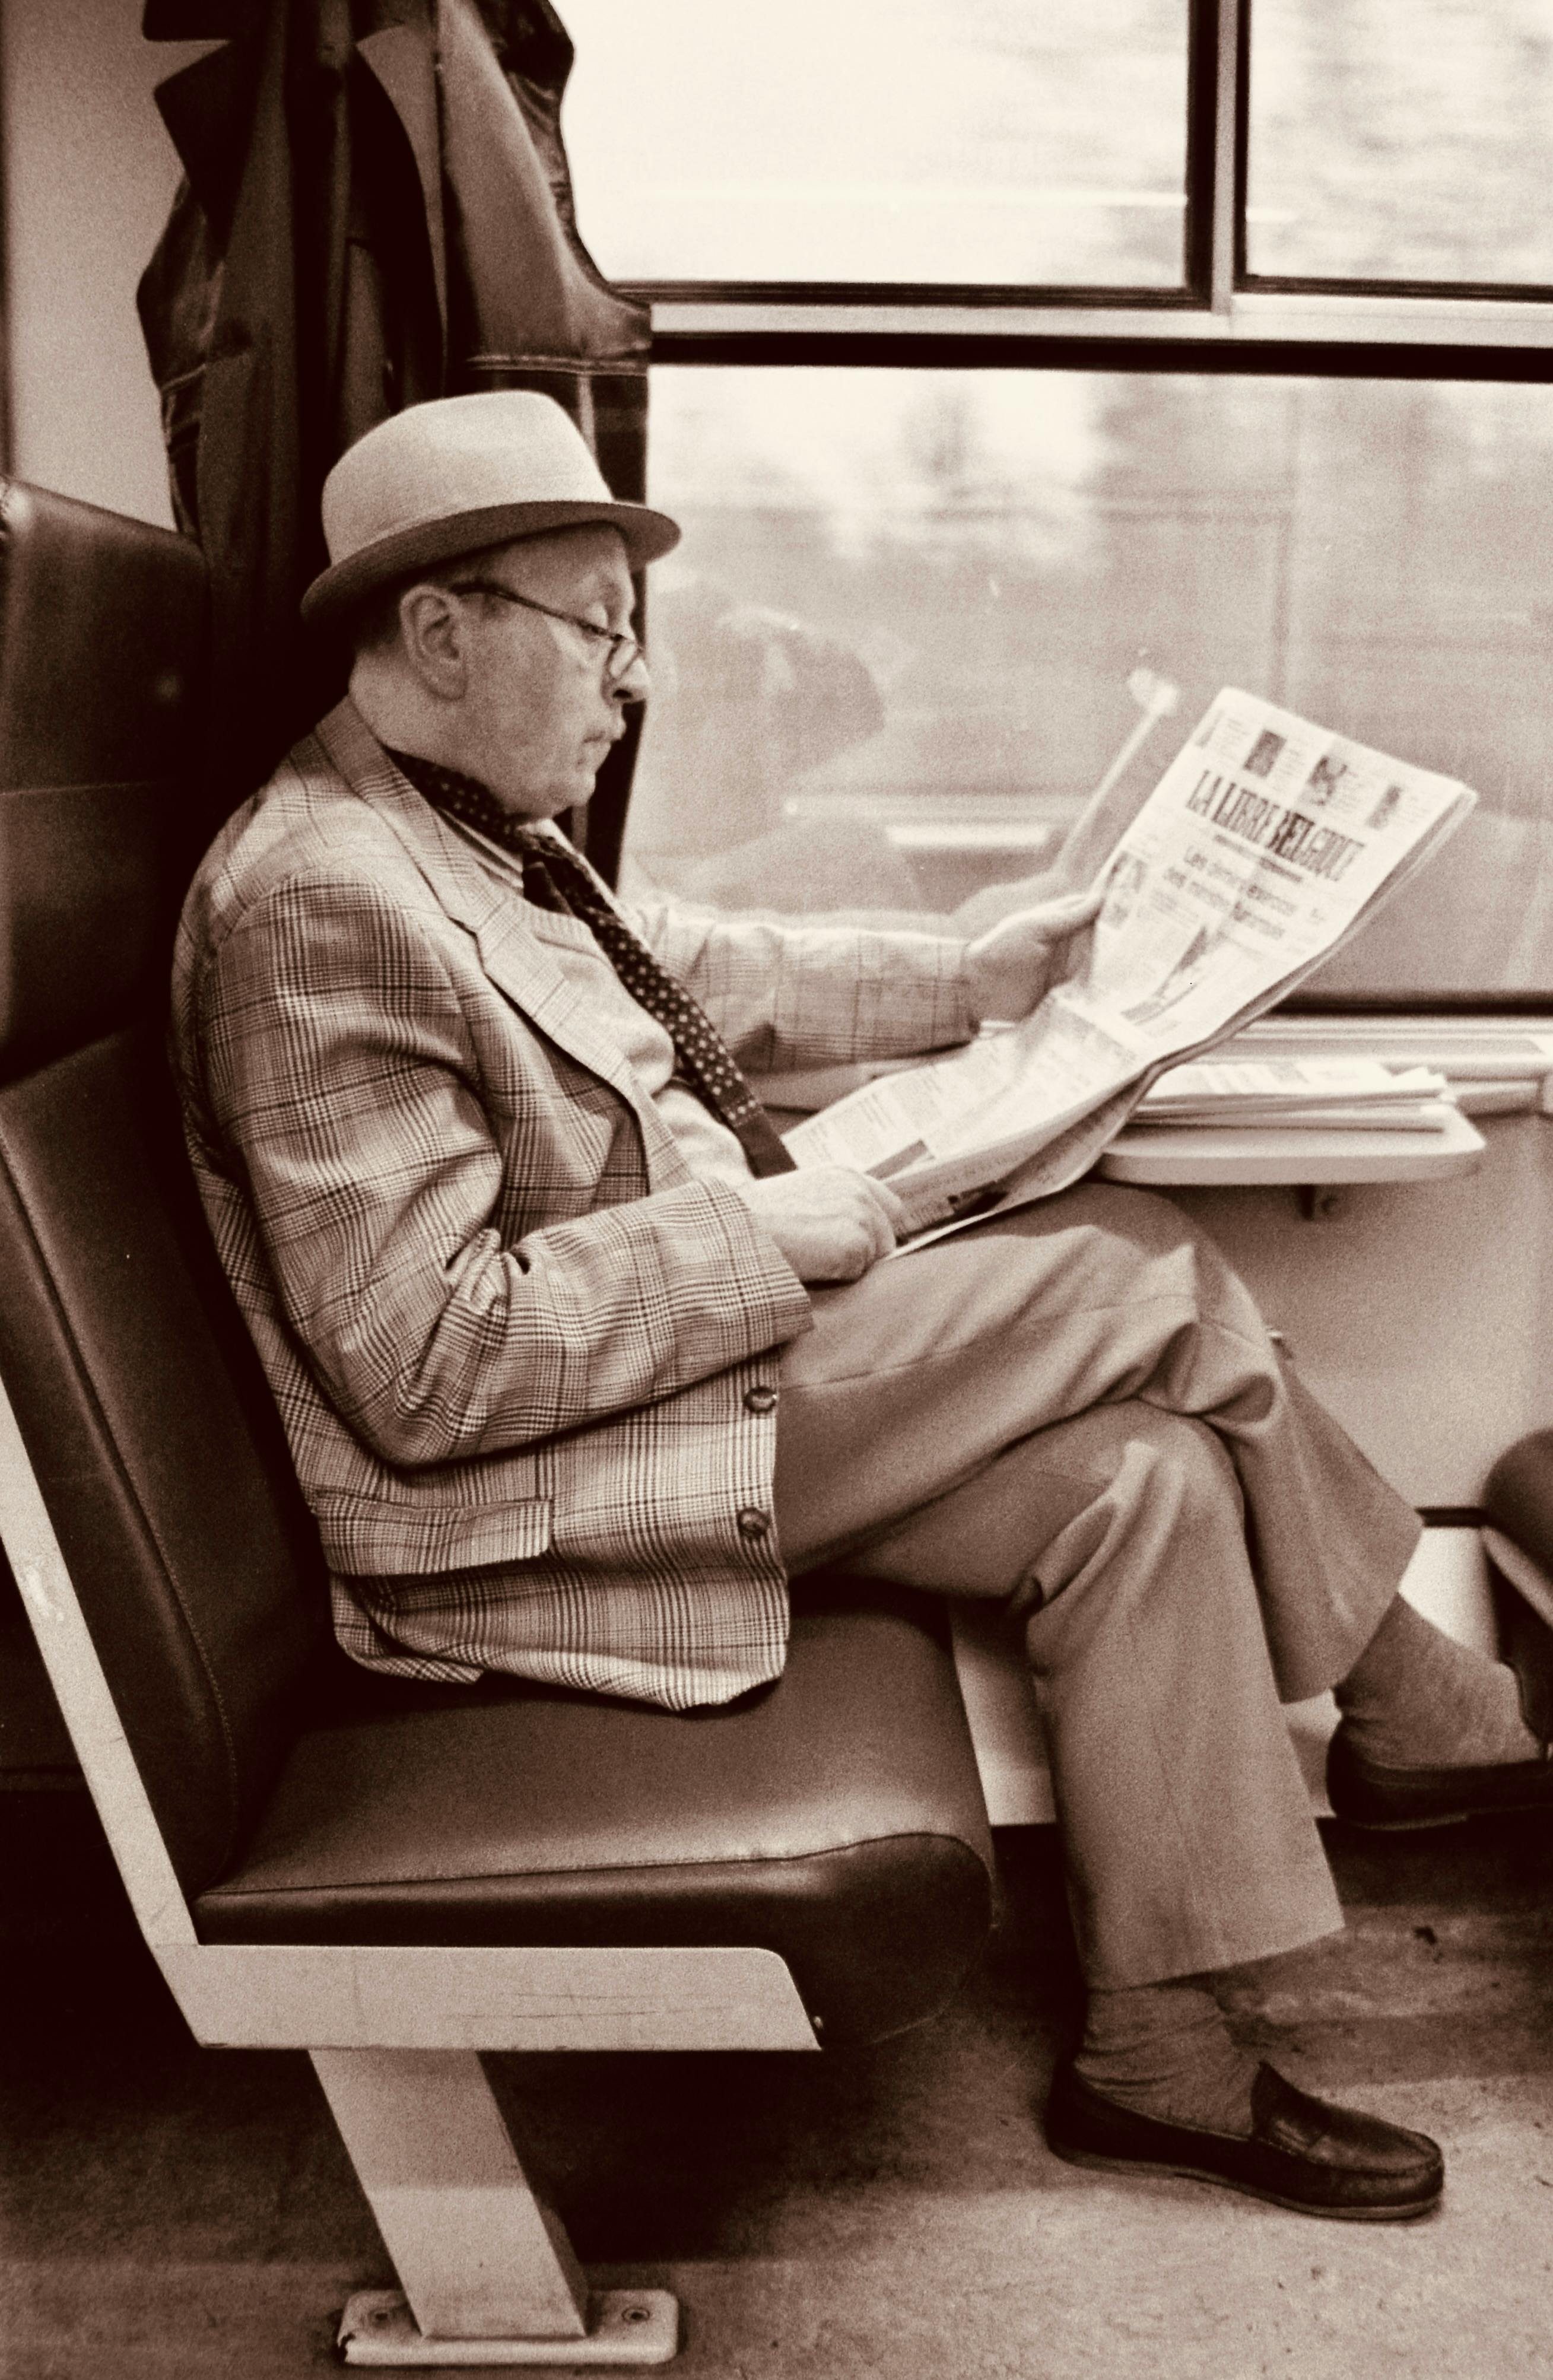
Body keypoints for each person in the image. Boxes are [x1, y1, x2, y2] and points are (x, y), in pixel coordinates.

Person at [173, 390, 1553, 2225]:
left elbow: (694, 974)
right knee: (1135, 1267)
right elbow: (427, 1366)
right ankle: (1416, 1705)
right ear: (441, 631)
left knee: (1140, 1475)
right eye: (601, 630)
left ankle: (1158, 2046)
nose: (632, 680)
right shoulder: (316, 897)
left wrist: (963, 976)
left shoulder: (470, 828)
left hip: (659, 1400)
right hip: (503, 1505)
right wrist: (785, 1233)